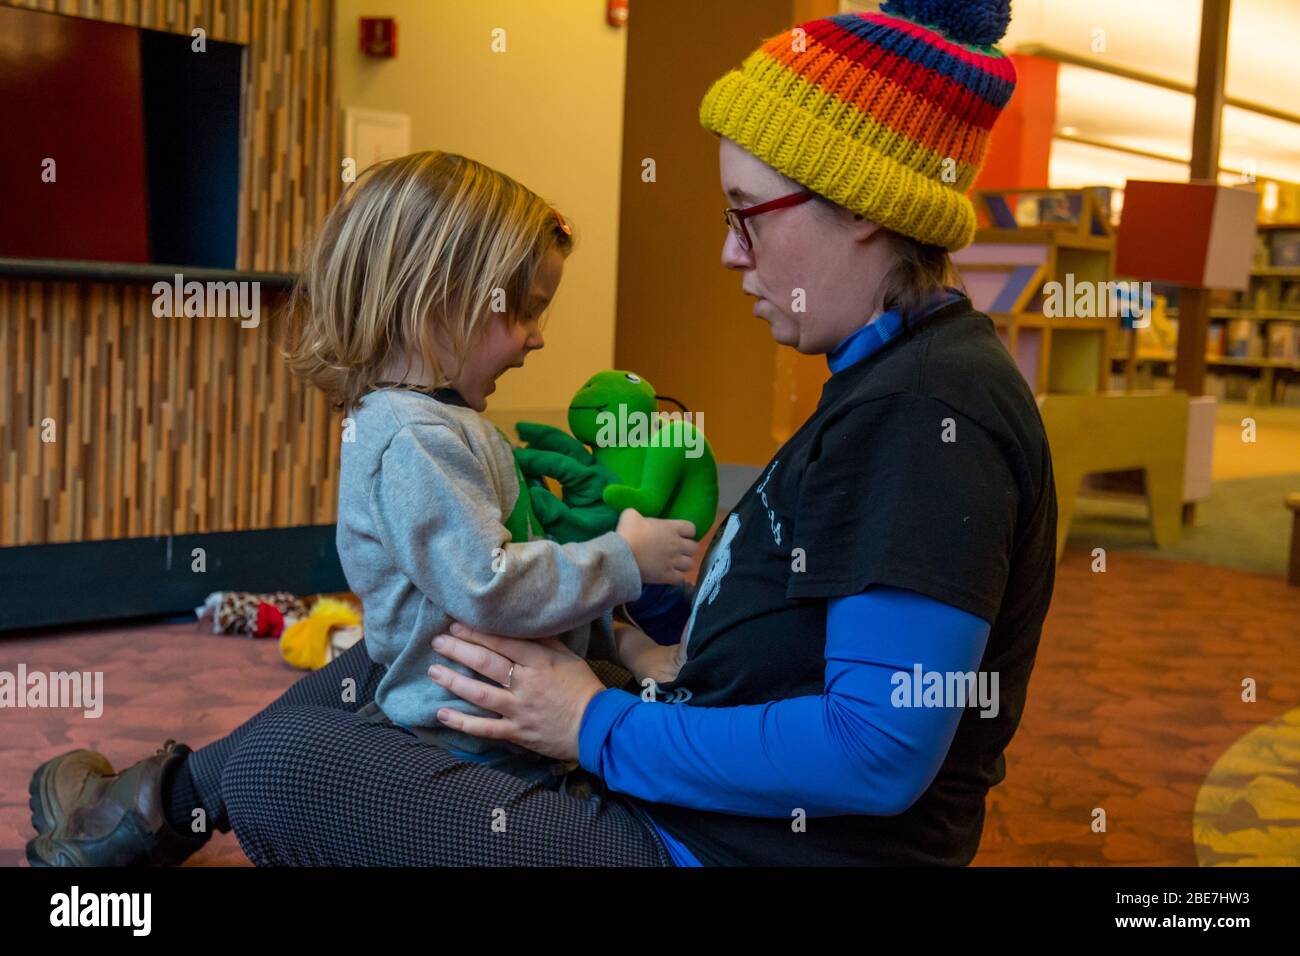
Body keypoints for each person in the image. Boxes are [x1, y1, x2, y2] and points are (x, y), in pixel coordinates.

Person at [28, 0, 1055, 867]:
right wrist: (655, 638)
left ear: (864, 208)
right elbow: (808, 622)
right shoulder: (888, 377)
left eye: (748, 212)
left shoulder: (928, 415)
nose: (729, 251)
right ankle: (146, 809)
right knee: (392, 655)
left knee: (283, 765)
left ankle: (149, 809)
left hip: (713, 846)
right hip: (692, 774)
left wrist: (593, 721)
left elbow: (875, 750)